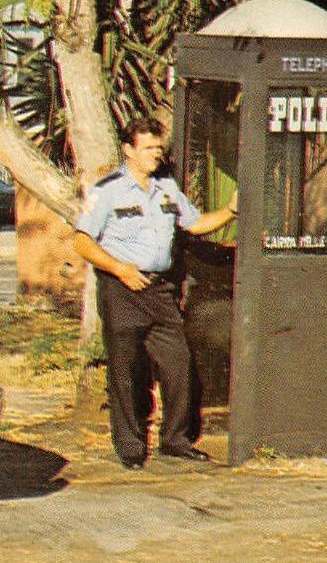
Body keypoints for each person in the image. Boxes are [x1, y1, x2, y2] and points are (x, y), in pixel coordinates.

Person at [73, 116, 238, 468]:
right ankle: (131, 448)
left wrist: (230, 211)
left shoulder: (167, 189)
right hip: (122, 289)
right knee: (126, 371)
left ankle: (176, 440)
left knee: (179, 365)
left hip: (159, 290)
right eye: (148, 148)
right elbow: (82, 241)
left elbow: (195, 223)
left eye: (158, 148)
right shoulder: (108, 190)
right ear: (128, 150)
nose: (155, 154)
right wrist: (119, 268)